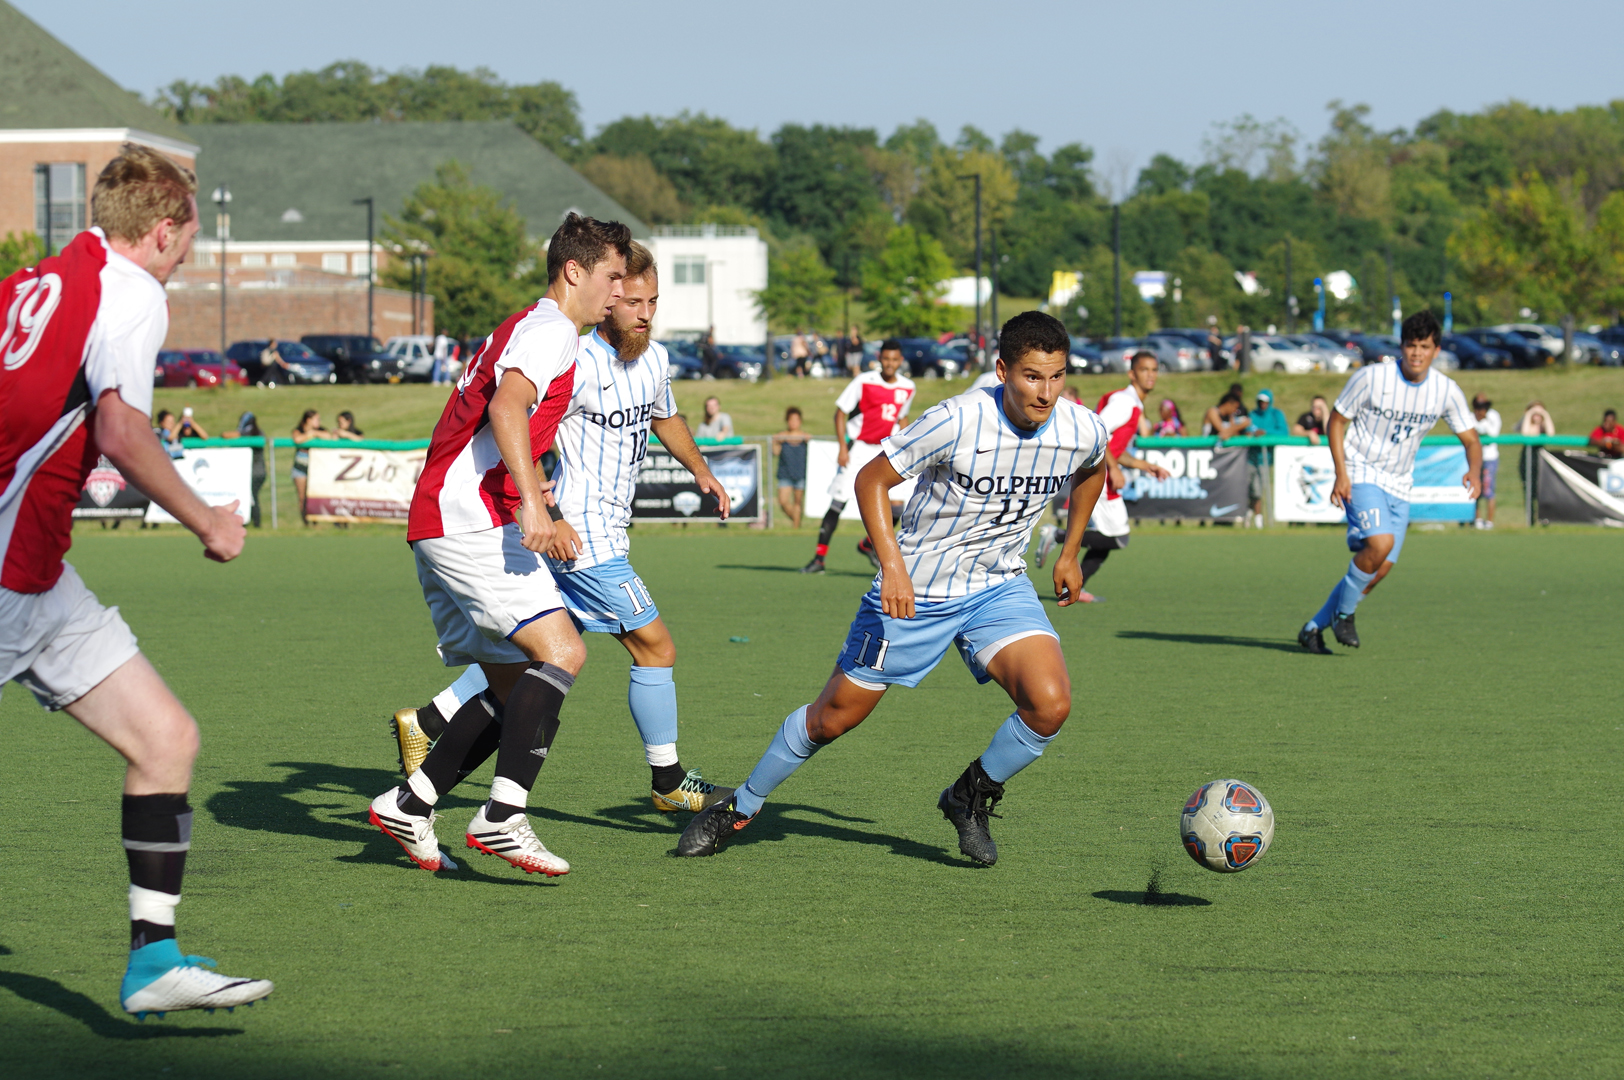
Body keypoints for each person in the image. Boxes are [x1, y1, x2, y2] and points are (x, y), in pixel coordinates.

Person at [676, 312, 1110, 864]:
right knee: (832, 718)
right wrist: (894, 567)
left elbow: (1094, 466)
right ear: (1002, 370)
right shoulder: (957, 419)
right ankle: (741, 804)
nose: (1045, 393)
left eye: (1056, 377)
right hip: (919, 588)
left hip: (999, 586)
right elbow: (871, 480)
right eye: (1031, 376)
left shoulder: (1080, 426)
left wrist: (1070, 550)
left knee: (1049, 706)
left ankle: (968, 797)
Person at [0, 143, 270, 1017]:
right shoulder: (130, 292)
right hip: (6, 573)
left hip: (38, 577)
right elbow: (121, 430)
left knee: (165, 739)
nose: (184, 261)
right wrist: (209, 519)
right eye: (186, 243)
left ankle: (153, 963)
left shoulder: (37, 282)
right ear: (161, 233)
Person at [386, 240, 733, 818]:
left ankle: (430, 725)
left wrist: (701, 471)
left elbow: (666, 415)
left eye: (651, 300)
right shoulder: (572, 352)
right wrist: (547, 504)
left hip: (595, 531)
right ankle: (666, 780)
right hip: (576, 536)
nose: (641, 309)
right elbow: (521, 421)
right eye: (627, 295)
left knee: (532, 659)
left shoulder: (656, 359)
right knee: (654, 646)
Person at [367, 212, 631, 878]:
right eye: (613, 277)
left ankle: (410, 801)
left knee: (515, 686)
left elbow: (503, 437)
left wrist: (544, 504)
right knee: (564, 652)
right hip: (468, 519)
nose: (619, 294)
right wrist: (534, 509)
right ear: (575, 271)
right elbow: (506, 411)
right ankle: (503, 817)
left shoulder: (532, 326)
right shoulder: (552, 332)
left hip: (450, 516)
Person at [1297, 310, 1481, 654]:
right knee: (1378, 546)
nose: (1416, 354)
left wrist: (1473, 469)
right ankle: (1344, 615)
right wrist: (1341, 473)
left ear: (1436, 350)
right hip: (1362, 470)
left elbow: (1471, 440)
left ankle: (1313, 628)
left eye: (1424, 347)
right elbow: (1335, 422)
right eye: (1411, 345)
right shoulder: (1372, 378)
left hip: (1400, 482)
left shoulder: (1445, 390)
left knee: (1379, 569)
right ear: (1401, 347)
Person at [1034, 350, 1170, 598]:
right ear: (1132, 374)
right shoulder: (1125, 402)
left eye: (1154, 369)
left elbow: (1113, 447)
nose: (1150, 375)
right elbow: (1096, 434)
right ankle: (1056, 534)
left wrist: (1145, 466)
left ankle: (1075, 586)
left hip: (1105, 472)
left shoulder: (1133, 404)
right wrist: (1115, 468)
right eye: (1144, 370)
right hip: (1100, 475)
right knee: (1118, 538)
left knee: (1112, 538)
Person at [801, 340, 917, 574]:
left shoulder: (908, 386)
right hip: (860, 448)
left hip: (886, 451)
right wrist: (843, 447)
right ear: (879, 358)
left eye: (894, 359)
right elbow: (840, 413)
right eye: (886, 359)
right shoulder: (864, 381)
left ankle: (867, 544)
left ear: (900, 361)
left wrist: (905, 445)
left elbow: (901, 417)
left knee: (897, 508)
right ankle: (818, 559)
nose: (890, 364)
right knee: (838, 502)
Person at [1247, 389, 1288, 528]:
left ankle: (1258, 519)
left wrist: (1266, 433)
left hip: (1265, 459)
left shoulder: (1277, 414)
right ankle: (1249, 516)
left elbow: (1284, 432)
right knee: (1248, 489)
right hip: (1249, 458)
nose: (1262, 404)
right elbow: (1247, 428)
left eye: (1265, 402)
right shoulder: (1252, 414)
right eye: (1260, 401)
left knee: (1258, 489)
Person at [220, 411, 267, 527]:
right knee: (252, 496)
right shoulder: (259, 432)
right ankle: (252, 521)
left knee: (252, 497)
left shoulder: (249, 433)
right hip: (259, 471)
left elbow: (227, 435)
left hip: (254, 472)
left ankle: (255, 523)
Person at [290, 409, 329, 524]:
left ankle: (315, 521)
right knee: (302, 497)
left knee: (314, 496)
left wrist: (314, 433)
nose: (319, 421)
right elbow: (297, 438)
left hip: (316, 469)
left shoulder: (320, 430)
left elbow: (328, 436)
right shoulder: (298, 430)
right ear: (308, 420)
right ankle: (305, 522)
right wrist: (309, 434)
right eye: (317, 419)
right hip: (300, 468)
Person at [774, 406, 810, 529]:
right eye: (791, 419)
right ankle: (796, 520)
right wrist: (775, 441)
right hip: (785, 473)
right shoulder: (782, 437)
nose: (793, 422)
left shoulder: (806, 438)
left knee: (798, 502)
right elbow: (775, 452)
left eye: (796, 419)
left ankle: (795, 528)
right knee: (783, 501)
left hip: (801, 473)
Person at [1471, 394, 1501, 528]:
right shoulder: (1470, 417)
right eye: (1478, 406)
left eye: (1484, 406)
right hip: (1474, 458)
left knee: (1488, 490)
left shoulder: (1493, 416)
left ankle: (1489, 522)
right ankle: (1476, 520)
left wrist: (1483, 422)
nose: (1481, 410)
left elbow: (1493, 434)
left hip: (1489, 458)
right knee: (1474, 488)